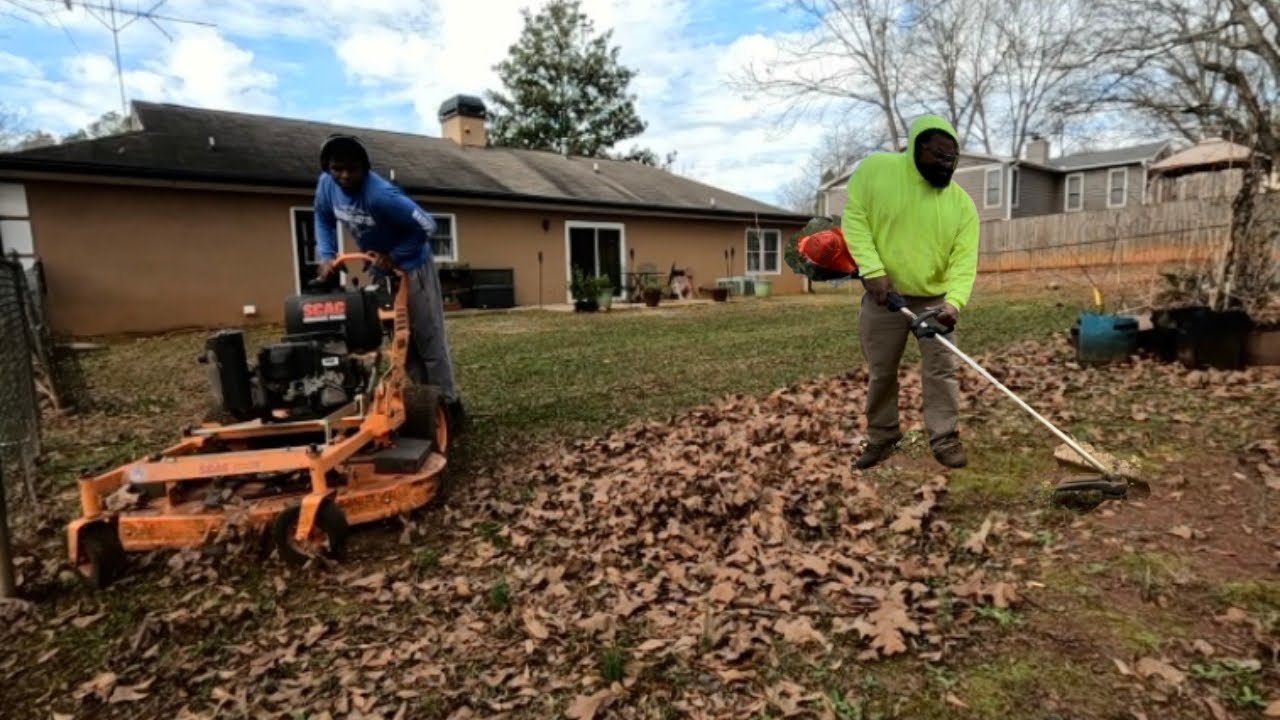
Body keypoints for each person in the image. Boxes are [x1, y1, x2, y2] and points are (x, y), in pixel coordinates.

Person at [841, 114, 979, 470]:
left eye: (952, 158)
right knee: (882, 370)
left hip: (935, 299)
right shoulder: (877, 171)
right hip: (882, 296)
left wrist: (954, 304)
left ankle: (944, 437)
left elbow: (964, 261)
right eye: (937, 156)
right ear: (916, 149)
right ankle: (882, 437)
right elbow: (855, 217)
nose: (946, 164)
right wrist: (872, 271)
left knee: (941, 369)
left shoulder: (962, 205)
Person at [312, 133, 465, 428]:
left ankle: (450, 405)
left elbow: (427, 225)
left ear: (364, 167)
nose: (344, 176)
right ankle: (427, 402)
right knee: (403, 346)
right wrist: (327, 255)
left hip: (412, 266)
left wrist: (395, 256)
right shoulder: (326, 185)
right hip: (381, 269)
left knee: (427, 339)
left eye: (352, 169)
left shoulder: (381, 195)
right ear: (327, 167)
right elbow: (322, 217)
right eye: (337, 168)